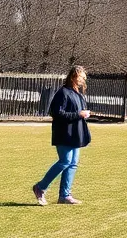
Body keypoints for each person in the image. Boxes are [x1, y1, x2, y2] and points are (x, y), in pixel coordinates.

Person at [33, 66, 92, 206]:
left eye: (84, 77)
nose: (83, 80)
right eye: (81, 77)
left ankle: (65, 196)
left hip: (75, 134)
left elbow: (76, 112)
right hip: (64, 133)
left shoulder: (77, 94)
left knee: (73, 164)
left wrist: (83, 114)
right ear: (74, 76)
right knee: (65, 161)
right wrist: (78, 114)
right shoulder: (63, 92)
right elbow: (56, 113)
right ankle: (40, 187)